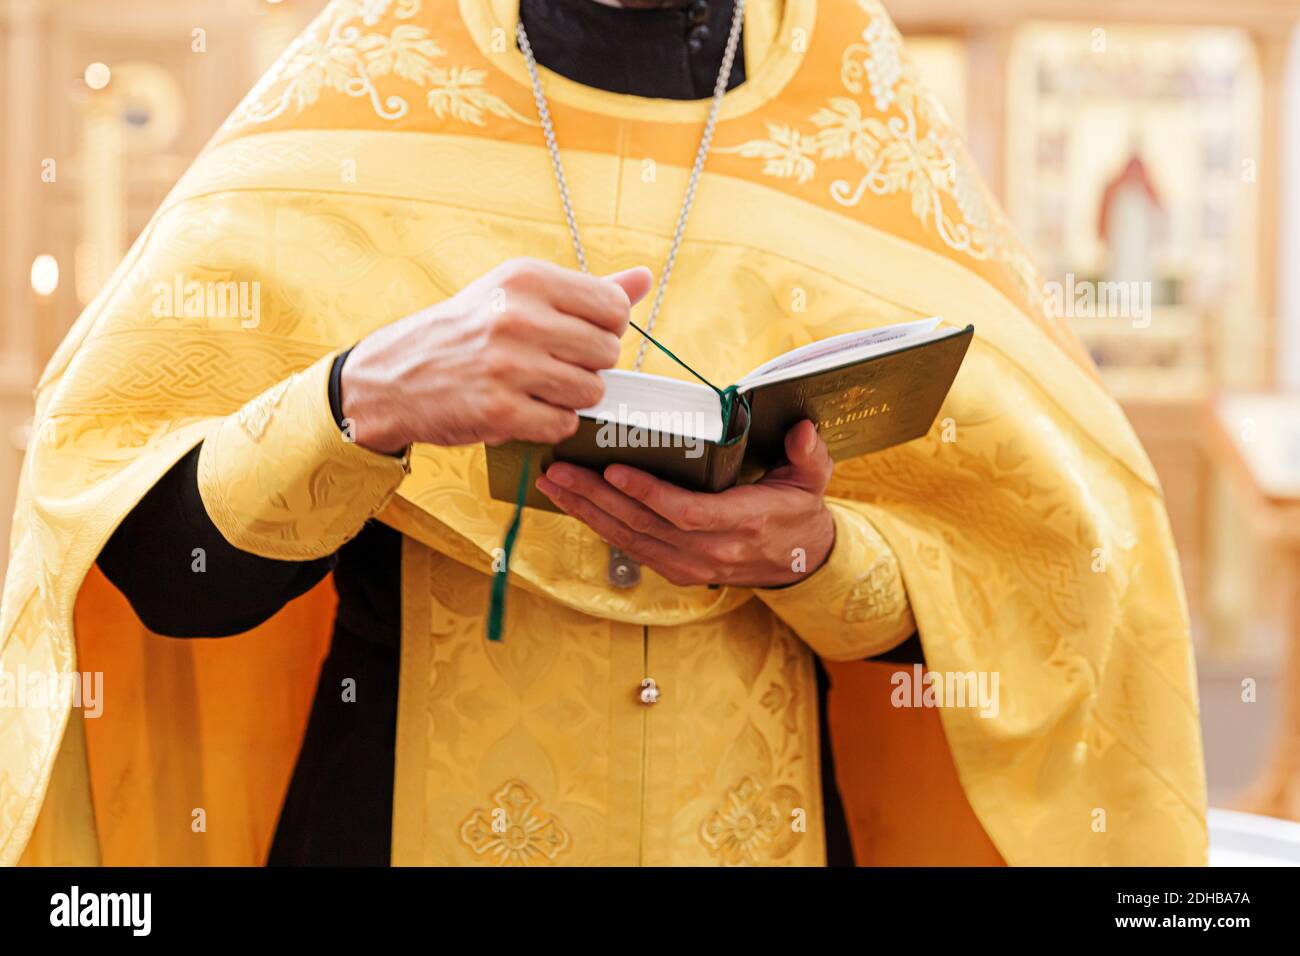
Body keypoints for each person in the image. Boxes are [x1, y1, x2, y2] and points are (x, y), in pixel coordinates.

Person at [2, 0, 1206, 866]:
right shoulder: (364, 85)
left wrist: (814, 559)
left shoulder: (861, 118)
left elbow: (1044, 585)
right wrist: (360, 397)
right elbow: (159, 573)